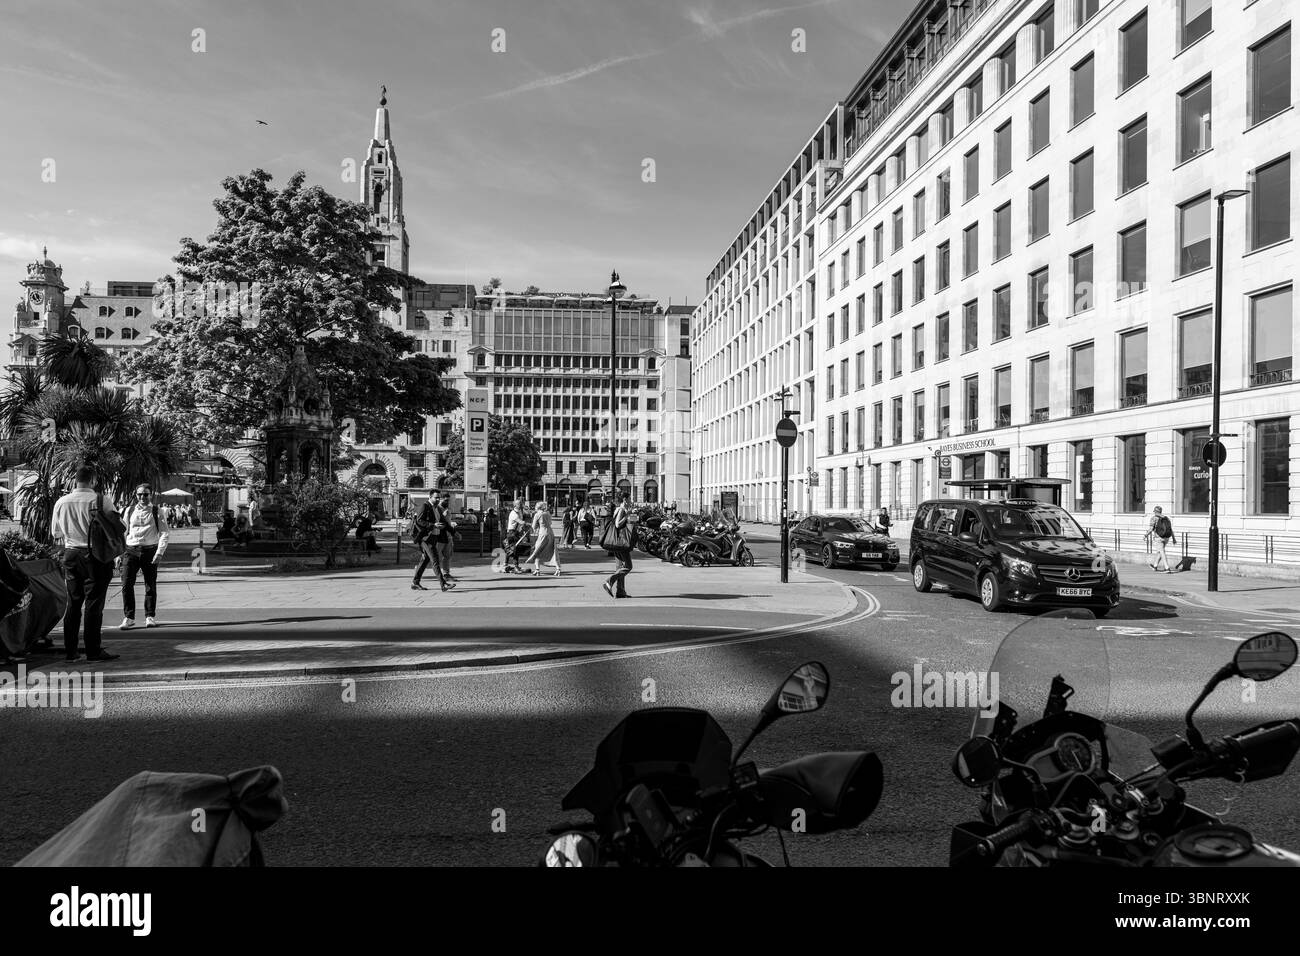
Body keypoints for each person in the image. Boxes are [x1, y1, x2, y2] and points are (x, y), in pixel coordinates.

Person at [51, 465, 120, 662]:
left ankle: (71, 651)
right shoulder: (100, 500)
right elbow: (116, 528)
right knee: (93, 605)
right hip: (96, 555)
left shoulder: (61, 502)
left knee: (73, 604)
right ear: (94, 480)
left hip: (71, 554)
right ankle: (93, 651)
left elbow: (55, 533)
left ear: (75, 480)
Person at [120, 484, 169, 630]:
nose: (142, 497)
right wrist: (119, 553)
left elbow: (164, 533)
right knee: (126, 584)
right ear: (136, 495)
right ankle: (129, 617)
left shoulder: (156, 511)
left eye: (146, 494)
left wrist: (159, 552)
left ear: (150, 495)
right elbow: (124, 532)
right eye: (140, 494)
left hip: (150, 551)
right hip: (130, 550)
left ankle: (150, 616)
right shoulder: (129, 510)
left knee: (150, 585)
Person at [411, 489, 454, 592]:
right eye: (436, 497)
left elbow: (444, 522)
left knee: (425, 560)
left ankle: (415, 582)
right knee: (435, 560)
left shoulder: (437, 509)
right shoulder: (425, 506)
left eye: (439, 497)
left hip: (434, 537)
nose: (438, 499)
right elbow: (419, 521)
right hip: (426, 538)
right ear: (429, 497)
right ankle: (443, 584)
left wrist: (454, 532)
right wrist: (433, 525)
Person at [602, 492, 633, 599]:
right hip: (621, 542)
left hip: (617, 542)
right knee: (628, 566)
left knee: (620, 568)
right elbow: (617, 524)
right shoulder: (621, 509)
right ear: (625, 499)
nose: (630, 500)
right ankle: (609, 581)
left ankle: (620, 592)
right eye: (629, 498)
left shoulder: (620, 509)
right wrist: (627, 515)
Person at [526, 501, 562, 576]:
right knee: (553, 550)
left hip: (542, 533)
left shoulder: (537, 514)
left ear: (537, 507)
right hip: (550, 532)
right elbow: (550, 523)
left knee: (537, 550)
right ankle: (558, 568)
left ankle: (537, 569)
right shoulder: (548, 513)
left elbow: (534, 526)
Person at [1146, 506, 1177, 573]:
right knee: (1160, 552)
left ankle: (1167, 568)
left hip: (1158, 538)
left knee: (1162, 552)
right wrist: (1174, 539)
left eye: (1154, 512)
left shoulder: (1154, 518)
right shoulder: (1166, 518)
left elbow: (1151, 529)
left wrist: (1145, 535)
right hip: (1166, 537)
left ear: (1156, 512)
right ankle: (1155, 566)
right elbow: (1170, 529)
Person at [436, 494, 459, 579]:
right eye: (445, 500)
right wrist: (443, 515)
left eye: (448, 500)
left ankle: (446, 573)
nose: (447, 502)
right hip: (439, 536)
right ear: (440, 499)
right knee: (435, 556)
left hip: (448, 536)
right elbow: (437, 522)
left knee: (448, 555)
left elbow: (447, 522)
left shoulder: (447, 509)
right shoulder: (437, 509)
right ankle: (419, 570)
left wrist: (451, 523)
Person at [504, 498, 529, 573]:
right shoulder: (513, 513)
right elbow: (520, 522)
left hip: (516, 532)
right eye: (518, 504)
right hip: (511, 533)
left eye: (521, 503)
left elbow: (525, 517)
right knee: (514, 549)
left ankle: (505, 564)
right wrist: (530, 524)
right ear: (514, 505)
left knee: (510, 549)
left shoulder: (520, 512)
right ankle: (515, 565)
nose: (520, 505)